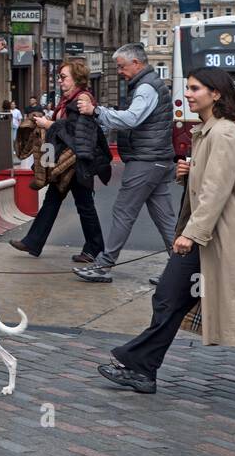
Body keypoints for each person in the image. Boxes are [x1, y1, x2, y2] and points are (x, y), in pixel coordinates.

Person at [97, 68, 235, 394]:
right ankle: (142, 368)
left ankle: (140, 366)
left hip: (209, 237)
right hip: (206, 236)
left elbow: (216, 192)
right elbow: (210, 182)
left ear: (216, 94)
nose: (189, 94)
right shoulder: (208, 131)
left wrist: (190, 234)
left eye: (195, 89)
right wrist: (189, 171)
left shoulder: (222, 134)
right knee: (171, 299)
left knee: (170, 298)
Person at [73, 44, 178, 283]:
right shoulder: (150, 84)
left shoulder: (146, 88)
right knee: (165, 218)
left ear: (136, 64)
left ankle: (102, 265)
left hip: (145, 161)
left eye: (121, 66)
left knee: (123, 212)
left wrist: (96, 112)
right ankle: (180, 271)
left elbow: (131, 119)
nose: (119, 71)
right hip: (158, 160)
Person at [10, 60, 108, 262]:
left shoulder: (81, 99)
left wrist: (48, 123)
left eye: (64, 77)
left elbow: (76, 131)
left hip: (77, 163)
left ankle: (94, 248)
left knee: (84, 206)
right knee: (54, 202)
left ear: (77, 78)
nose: (60, 81)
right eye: (60, 77)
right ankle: (33, 242)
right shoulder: (68, 100)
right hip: (65, 162)